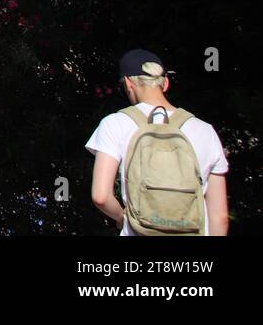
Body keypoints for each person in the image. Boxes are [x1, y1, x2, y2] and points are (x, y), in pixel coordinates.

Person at [86, 49, 229, 236]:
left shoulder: (115, 123)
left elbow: (101, 196)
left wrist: (122, 217)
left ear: (129, 84)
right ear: (166, 83)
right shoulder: (205, 131)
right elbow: (220, 218)